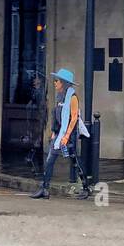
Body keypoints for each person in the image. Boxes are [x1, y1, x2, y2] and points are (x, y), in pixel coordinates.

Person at [31, 67, 91, 200]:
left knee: (75, 161)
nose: (55, 83)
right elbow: (57, 115)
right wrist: (54, 132)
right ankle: (44, 188)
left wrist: (66, 136)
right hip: (59, 134)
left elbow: (74, 117)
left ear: (63, 83)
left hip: (70, 135)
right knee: (50, 160)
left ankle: (86, 188)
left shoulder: (73, 98)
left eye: (57, 80)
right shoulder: (59, 97)